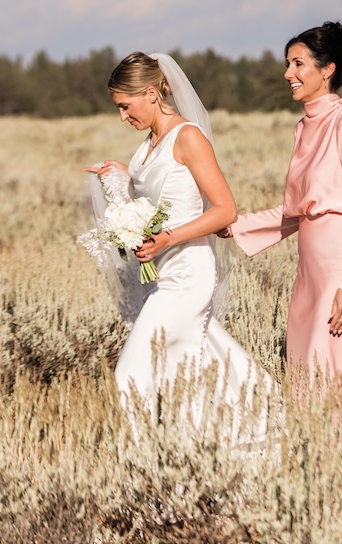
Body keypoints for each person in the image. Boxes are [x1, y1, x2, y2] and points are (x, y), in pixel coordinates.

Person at [83, 51, 268, 431]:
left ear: (152, 94)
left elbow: (225, 209)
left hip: (187, 275)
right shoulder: (150, 142)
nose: (122, 117)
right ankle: (209, 449)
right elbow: (161, 193)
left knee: (130, 376)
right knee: (184, 373)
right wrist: (125, 177)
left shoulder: (188, 137)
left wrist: (167, 238)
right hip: (161, 276)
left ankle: (141, 470)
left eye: (125, 106)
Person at [224, 22, 342, 392]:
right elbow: (299, 210)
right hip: (309, 268)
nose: (287, 73)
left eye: (298, 64)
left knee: (335, 367)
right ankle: (312, 443)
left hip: (338, 267)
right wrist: (234, 226)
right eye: (288, 64)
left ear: (327, 70)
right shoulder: (303, 126)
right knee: (306, 363)